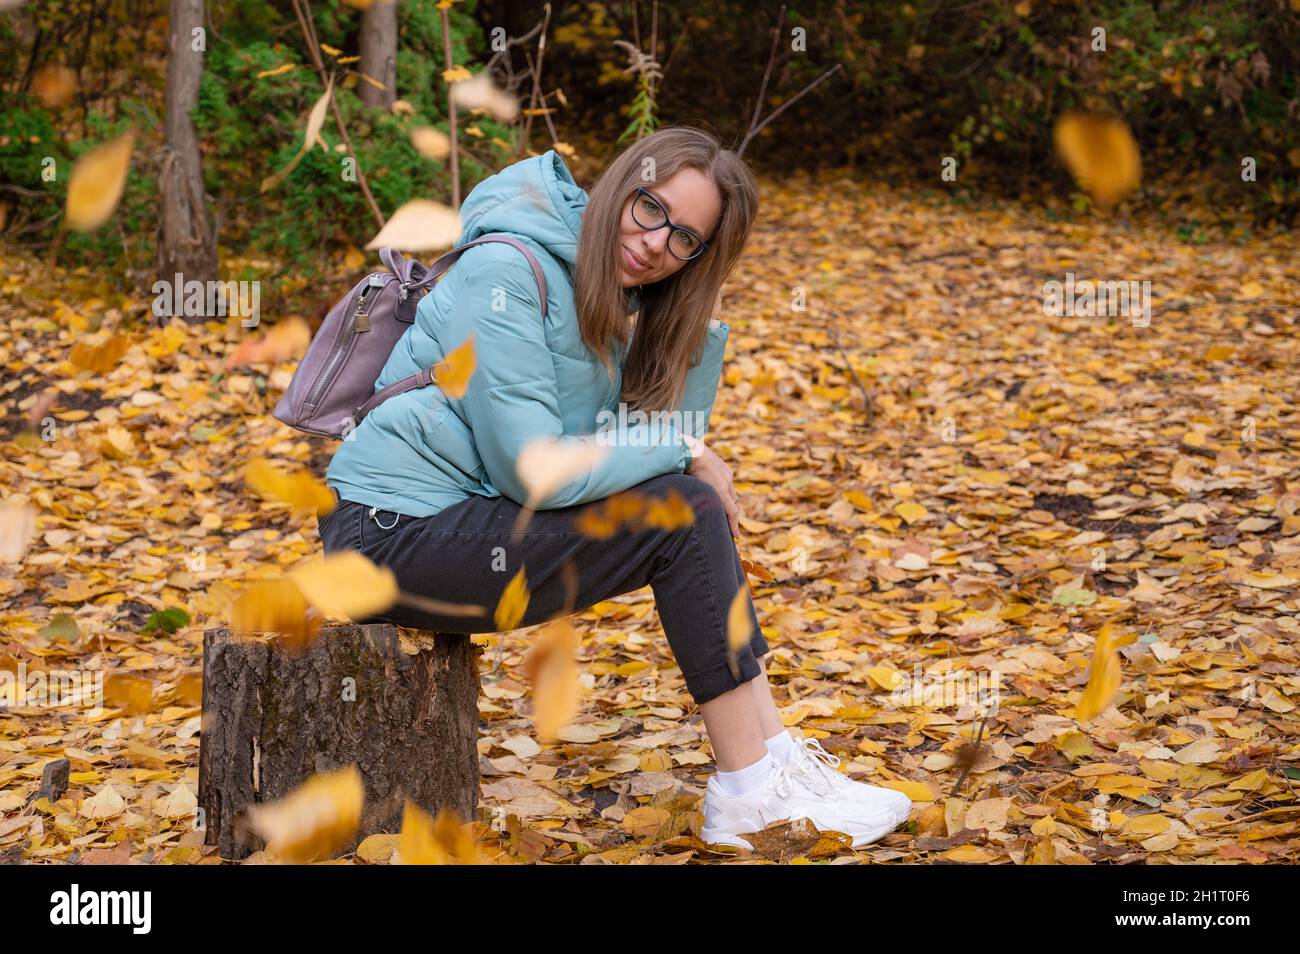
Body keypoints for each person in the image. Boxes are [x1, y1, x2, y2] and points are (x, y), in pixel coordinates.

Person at [317, 124, 911, 851]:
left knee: (684, 509)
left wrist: (695, 324)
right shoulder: (507, 269)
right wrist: (687, 451)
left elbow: (642, 441)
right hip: (388, 537)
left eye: (688, 241)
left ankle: (774, 760)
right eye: (651, 207)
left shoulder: (608, 295)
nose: (658, 241)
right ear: (620, 185)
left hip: (461, 524)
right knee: (681, 511)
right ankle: (751, 787)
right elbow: (536, 470)